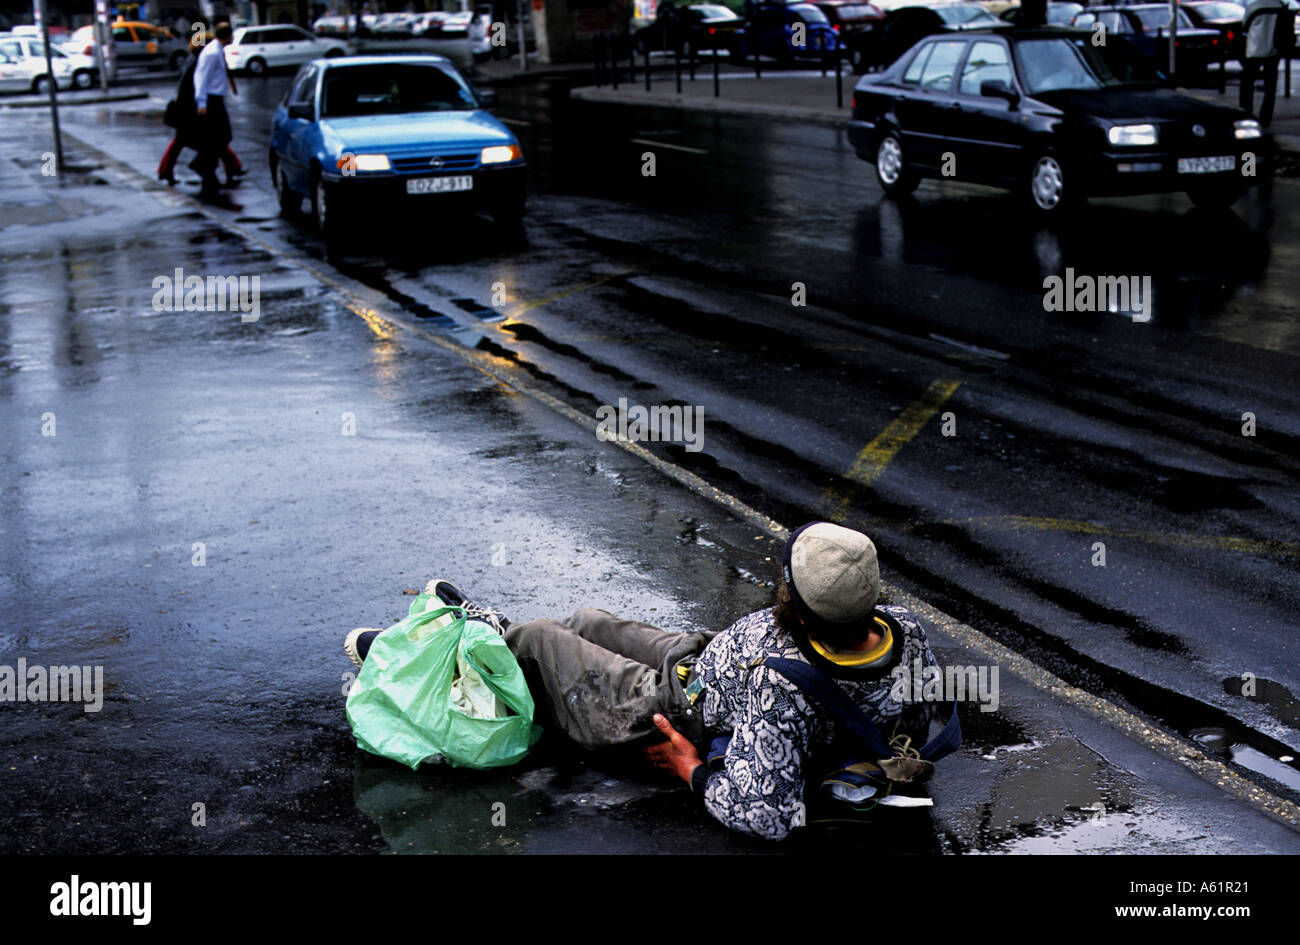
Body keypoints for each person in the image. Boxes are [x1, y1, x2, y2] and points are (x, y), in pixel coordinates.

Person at [344, 521, 947, 842]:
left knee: (540, 640)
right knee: (586, 621)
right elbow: (916, 722)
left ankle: (434, 661)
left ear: (802, 607)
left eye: (786, 583)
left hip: (675, 705)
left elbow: (766, 816)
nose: (780, 586)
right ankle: (497, 640)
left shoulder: (782, 690)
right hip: (703, 662)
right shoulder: (907, 632)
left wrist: (693, 768)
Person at [158, 32, 246, 187]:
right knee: (214, 140)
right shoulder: (201, 60)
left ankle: (232, 168)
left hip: (187, 108)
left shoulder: (193, 59)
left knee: (201, 141)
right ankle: (227, 168)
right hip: (193, 109)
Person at [191, 22, 239, 206]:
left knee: (217, 138)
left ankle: (206, 169)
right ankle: (204, 167)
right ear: (228, 35)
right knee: (220, 137)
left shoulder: (217, 50)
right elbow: (201, 77)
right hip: (211, 101)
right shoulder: (212, 52)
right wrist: (201, 102)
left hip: (215, 99)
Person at [1239, 0, 1291, 124]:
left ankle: (1246, 110)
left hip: (1254, 49)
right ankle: (1266, 115)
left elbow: (1245, 25)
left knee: (1247, 82)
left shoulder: (1254, 7)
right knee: (1270, 85)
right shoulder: (1280, 6)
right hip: (1273, 49)